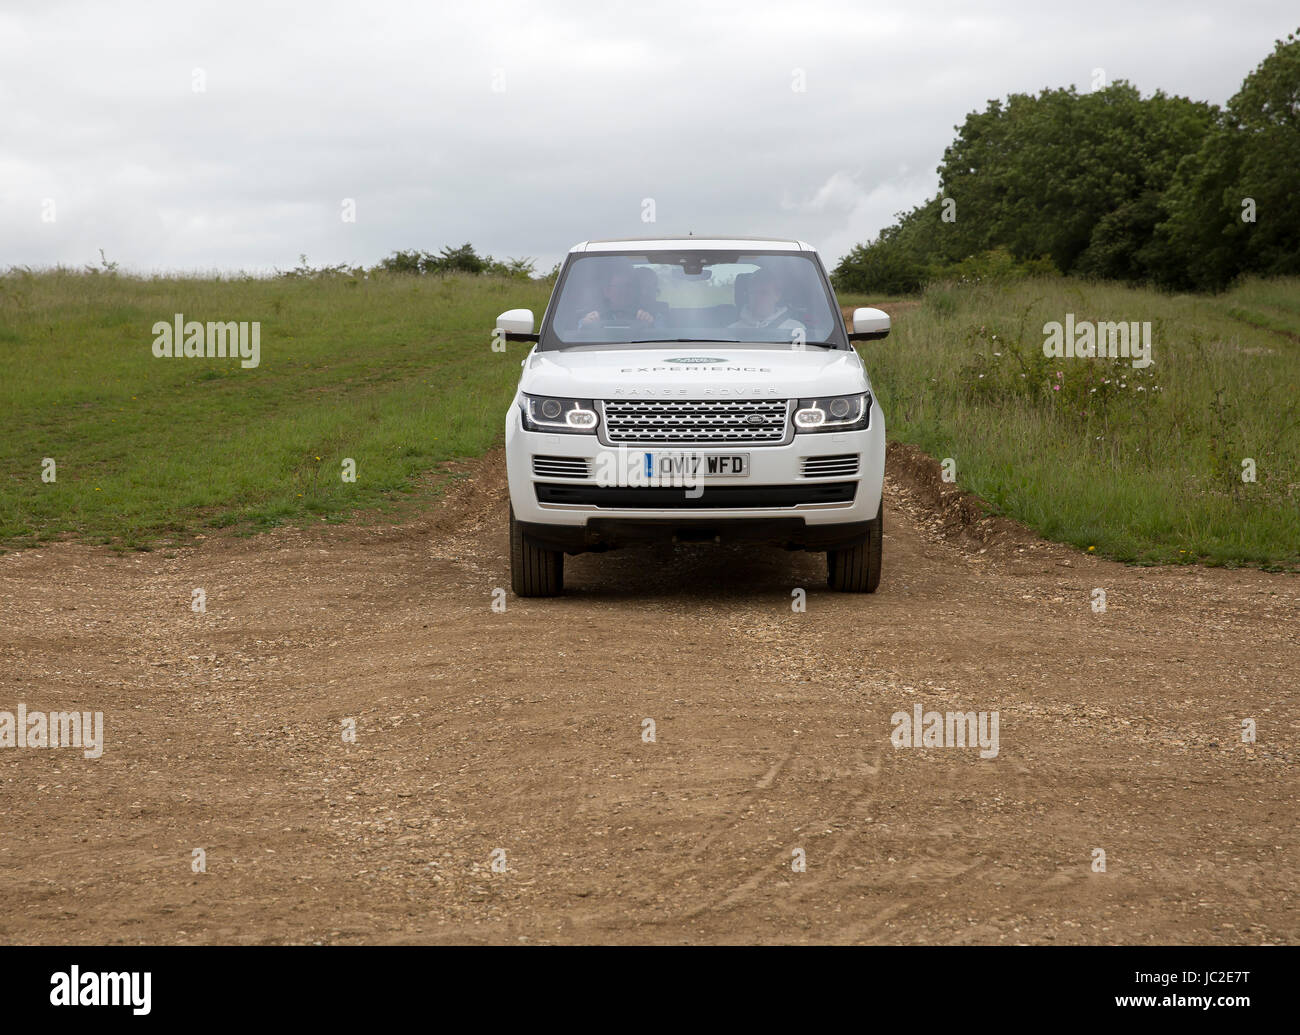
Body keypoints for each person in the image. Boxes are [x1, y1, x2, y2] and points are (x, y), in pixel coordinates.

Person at [575, 261, 659, 331]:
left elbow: (663, 337)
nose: (625, 291)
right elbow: (574, 336)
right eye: (619, 286)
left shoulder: (646, 315)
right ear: (606, 291)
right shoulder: (594, 316)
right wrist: (586, 325)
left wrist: (650, 325)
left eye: (629, 286)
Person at [729, 267, 805, 334]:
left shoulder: (795, 330)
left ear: (777, 296)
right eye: (754, 292)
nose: (758, 297)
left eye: (764, 293)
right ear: (748, 295)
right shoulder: (732, 330)